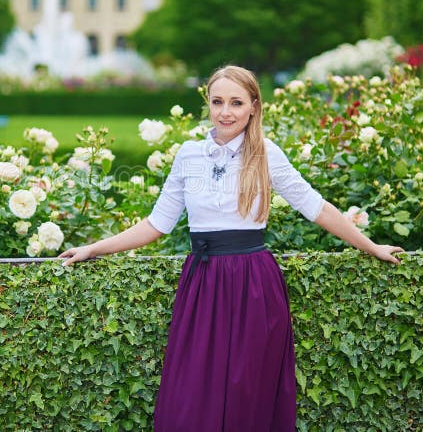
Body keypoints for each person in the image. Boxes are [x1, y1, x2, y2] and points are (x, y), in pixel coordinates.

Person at [58, 65, 403, 431]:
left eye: (236, 102)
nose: (226, 111)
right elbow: (155, 224)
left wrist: (371, 246)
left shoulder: (266, 154)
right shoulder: (189, 154)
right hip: (203, 283)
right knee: (191, 394)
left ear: (254, 106)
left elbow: (316, 207)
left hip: (254, 286)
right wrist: (93, 249)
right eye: (217, 101)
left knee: (247, 393)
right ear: (207, 103)